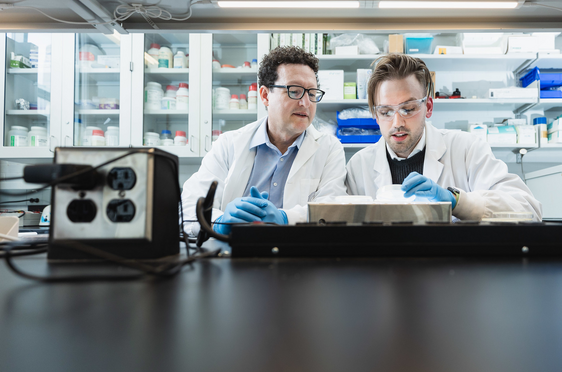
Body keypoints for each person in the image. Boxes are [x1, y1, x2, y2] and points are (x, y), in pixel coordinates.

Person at [345, 54, 542, 221]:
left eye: (408, 109)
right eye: (386, 111)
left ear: (428, 107)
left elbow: (529, 211)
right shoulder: (358, 166)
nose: (397, 122)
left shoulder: (467, 149)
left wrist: (456, 201)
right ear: (375, 116)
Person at [181, 46, 347, 236]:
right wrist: (218, 222)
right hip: (233, 255)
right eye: (294, 91)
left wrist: (286, 219)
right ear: (265, 95)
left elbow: (334, 211)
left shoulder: (329, 149)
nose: (305, 103)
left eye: (311, 93)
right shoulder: (228, 144)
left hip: (298, 259)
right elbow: (189, 207)